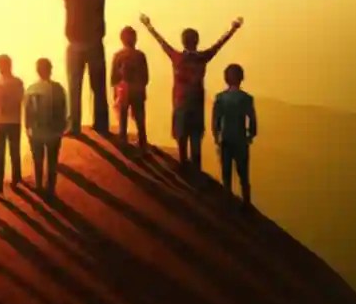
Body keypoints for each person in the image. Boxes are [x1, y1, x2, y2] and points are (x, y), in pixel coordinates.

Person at [7, 0, 162, 136]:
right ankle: (100, 124)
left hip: (75, 44)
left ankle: (75, 125)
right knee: (97, 88)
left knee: (75, 87)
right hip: (95, 44)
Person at [141, 14, 243, 174]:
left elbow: (161, 42)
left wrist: (149, 26)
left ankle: (183, 169)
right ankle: (196, 173)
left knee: (181, 139)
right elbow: (219, 44)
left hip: (181, 104)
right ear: (196, 41)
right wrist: (233, 29)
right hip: (196, 106)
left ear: (183, 41)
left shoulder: (177, 58)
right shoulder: (202, 58)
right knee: (195, 141)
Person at [213, 64, 258, 208]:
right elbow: (252, 120)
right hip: (240, 140)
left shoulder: (220, 98)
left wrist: (216, 137)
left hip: (225, 139)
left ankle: (227, 203)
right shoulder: (246, 98)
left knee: (227, 174)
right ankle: (246, 204)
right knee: (243, 175)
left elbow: (216, 120)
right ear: (241, 78)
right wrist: (250, 135)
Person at [24, 57, 68, 198]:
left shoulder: (31, 89)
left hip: (36, 131)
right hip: (54, 131)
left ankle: (38, 185)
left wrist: (27, 128)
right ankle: (50, 188)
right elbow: (63, 109)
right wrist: (62, 127)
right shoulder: (58, 88)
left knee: (38, 159)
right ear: (51, 70)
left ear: (37, 71)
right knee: (52, 160)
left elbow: (27, 111)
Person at [0, 55, 25, 193]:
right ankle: (15, 179)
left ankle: (1, 183)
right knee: (12, 152)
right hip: (12, 121)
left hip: (1, 122)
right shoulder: (17, 82)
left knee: (2, 153)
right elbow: (20, 100)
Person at [110, 26, 150, 153]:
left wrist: (115, 93)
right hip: (138, 90)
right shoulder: (140, 55)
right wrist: (141, 87)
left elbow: (114, 77)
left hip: (124, 90)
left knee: (123, 117)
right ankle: (142, 143)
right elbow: (146, 76)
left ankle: (123, 141)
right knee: (140, 118)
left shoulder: (118, 55)